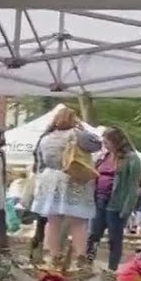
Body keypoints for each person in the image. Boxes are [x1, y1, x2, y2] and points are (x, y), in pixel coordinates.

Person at [30, 107, 102, 268]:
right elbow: (97, 144)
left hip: (49, 179)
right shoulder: (77, 135)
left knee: (52, 220)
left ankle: (54, 256)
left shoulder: (45, 138)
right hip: (73, 177)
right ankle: (81, 257)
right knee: (78, 221)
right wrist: (81, 128)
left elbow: (39, 163)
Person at [86, 127, 141, 270]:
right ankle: (87, 263)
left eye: (107, 142)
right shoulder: (103, 157)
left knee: (114, 239)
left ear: (116, 141)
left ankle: (112, 269)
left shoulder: (132, 159)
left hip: (116, 204)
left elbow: (132, 187)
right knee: (93, 235)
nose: (105, 145)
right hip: (99, 200)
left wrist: (127, 208)